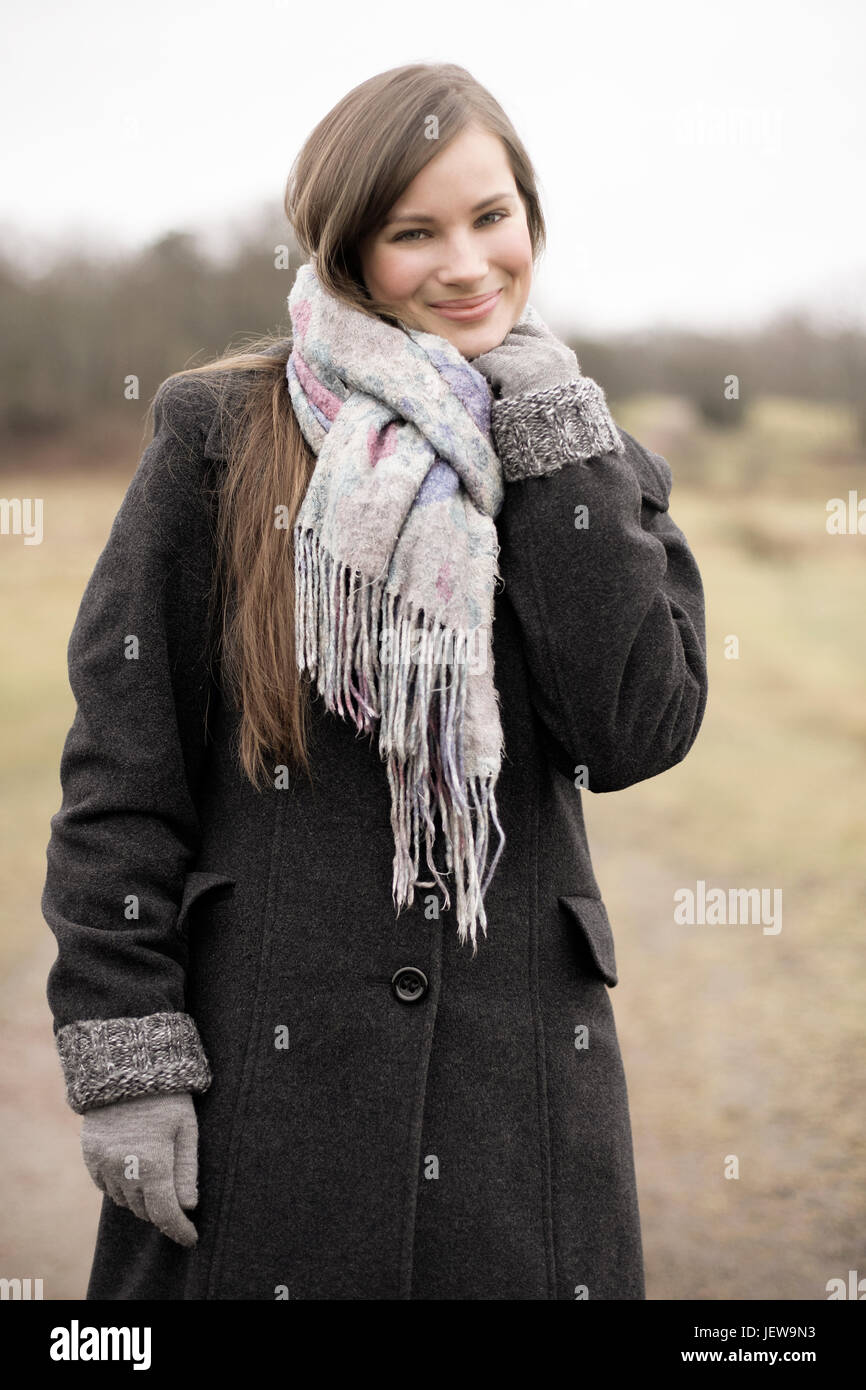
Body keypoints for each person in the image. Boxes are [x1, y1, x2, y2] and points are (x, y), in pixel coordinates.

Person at [41, 61, 708, 1300]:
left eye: (490, 216)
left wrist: (553, 448)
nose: (466, 263)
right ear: (349, 250)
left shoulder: (594, 458)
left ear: (530, 219)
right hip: (266, 1075)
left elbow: (634, 730)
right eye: (415, 233)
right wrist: (126, 1054)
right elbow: (122, 769)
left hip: (520, 1096)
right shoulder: (217, 436)